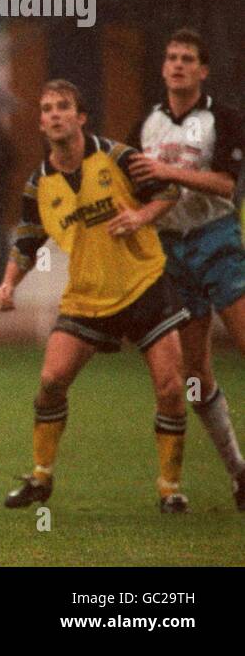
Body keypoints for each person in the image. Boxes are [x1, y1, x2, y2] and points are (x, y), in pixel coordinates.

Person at [0, 80, 191, 512]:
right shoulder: (39, 184)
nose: (55, 114)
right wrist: (9, 283)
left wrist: (140, 217)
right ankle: (41, 477)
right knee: (50, 382)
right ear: (42, 123)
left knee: (172, 388)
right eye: (47, 109)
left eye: (64, 106)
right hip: (87, 297)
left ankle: (170, 488)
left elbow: (168, 191)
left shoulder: (118, 156)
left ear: (80, 117)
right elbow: (27, 240)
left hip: (144, 285)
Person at [127, 28, 245, 508]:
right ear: (163, 68)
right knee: (195, 373)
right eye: (171, 57)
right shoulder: (146, 126)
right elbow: (141, 189)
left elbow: (226, 186)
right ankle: (238, 471)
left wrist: (168, 173)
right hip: (171, 250)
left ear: (203, 69)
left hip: (216, 241)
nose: (177, 64)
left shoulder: (225, 119)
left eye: (187, 58)